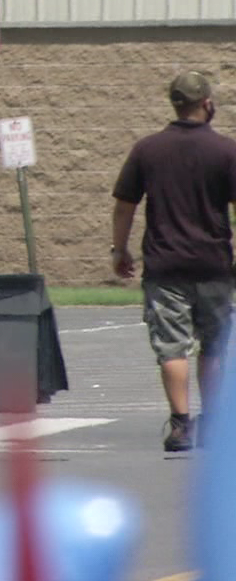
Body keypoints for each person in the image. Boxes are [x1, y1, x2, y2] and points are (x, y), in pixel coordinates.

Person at [112, 71, 236, 452]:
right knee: (213, 347)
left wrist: (120, 249)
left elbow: (125, 206)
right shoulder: (226, 151)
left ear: (175, 103)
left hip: (165, 267)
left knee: (172, 347)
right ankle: (213, 423)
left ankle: (181, 425)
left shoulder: (147, 149)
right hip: (214, 264)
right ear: (207, 103)